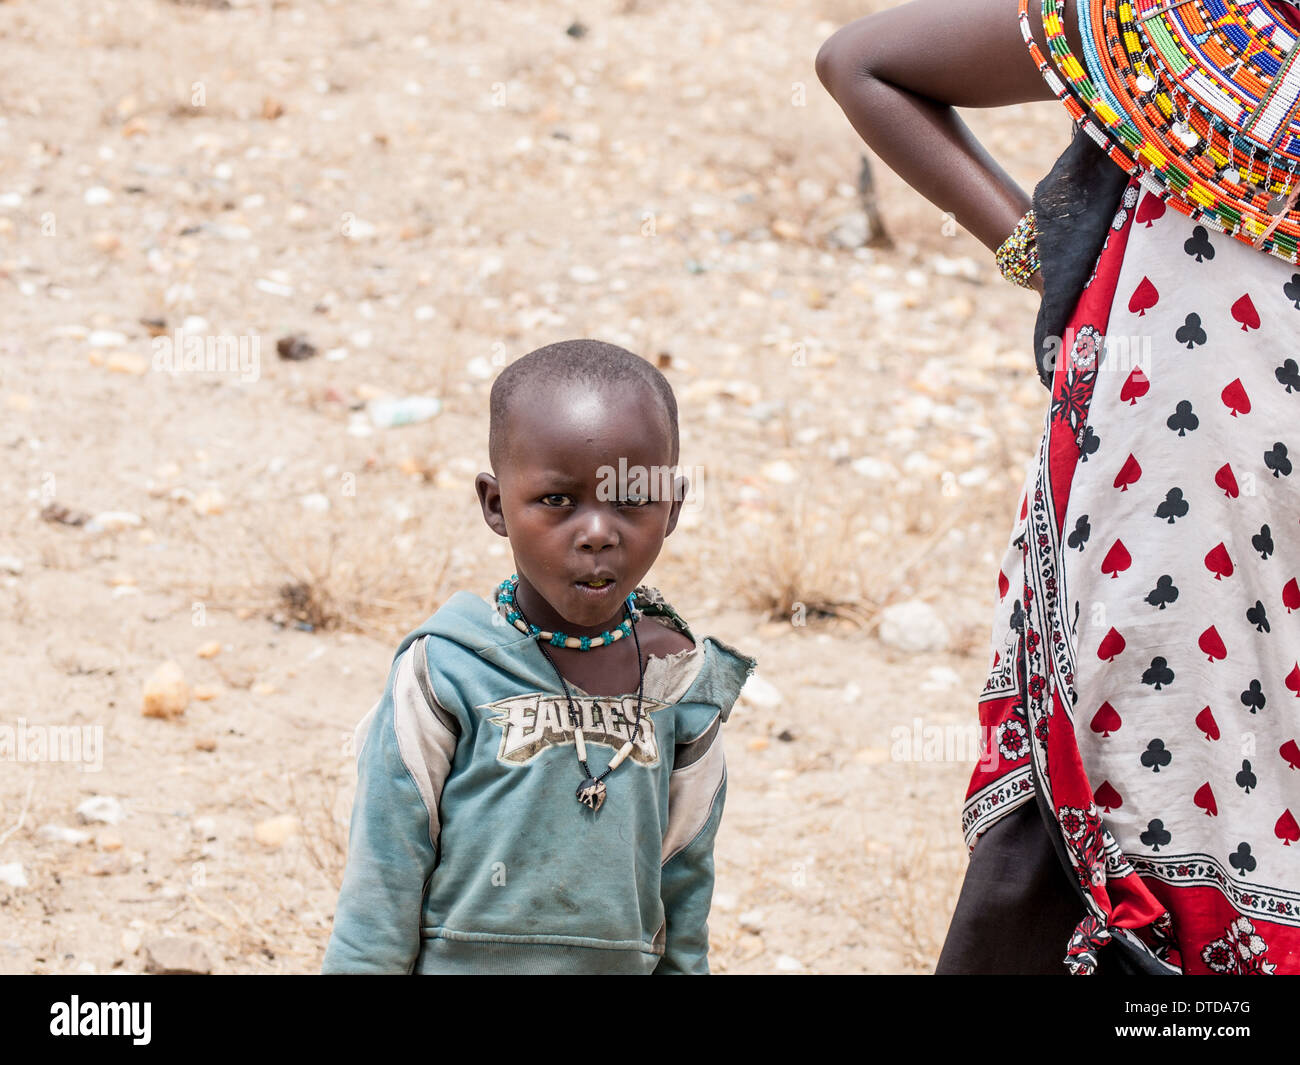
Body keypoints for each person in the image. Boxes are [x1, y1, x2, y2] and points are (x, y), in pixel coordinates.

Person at [819, 0, 1300, 974]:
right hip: (1161, 551)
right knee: (1103, 830)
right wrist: (1050, 272)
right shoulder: (1181, 28)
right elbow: (863, 65)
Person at [321, 338, 756, 974]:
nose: (598, 531)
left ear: (674, 506)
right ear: (495, 505)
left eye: (631, 500)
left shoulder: (681, 683)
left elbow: (685, 891)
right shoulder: (446, 670)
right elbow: (380, 886)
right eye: (557, 500)